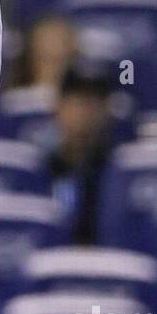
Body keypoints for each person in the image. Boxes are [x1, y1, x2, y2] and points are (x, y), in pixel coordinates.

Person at [45, 57, 118, 245]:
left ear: (107, 111)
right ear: (58, 107)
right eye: (77, 101)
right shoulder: (40, 169)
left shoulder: (118, 174)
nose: (85, 112)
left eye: (94, 102)